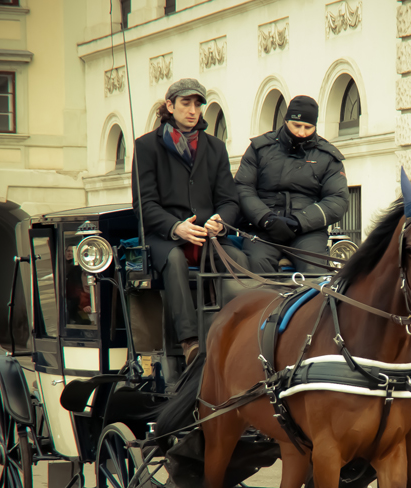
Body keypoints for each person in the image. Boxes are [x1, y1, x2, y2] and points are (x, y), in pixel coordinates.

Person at [131, 78, 247, 364]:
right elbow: (143, 204)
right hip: (164, 237)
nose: (193, 110)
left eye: (197, 104)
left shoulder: (216, 148)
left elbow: (229, 201)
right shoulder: (146, 146)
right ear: (170, 106)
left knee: (239, 259)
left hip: (208, 237)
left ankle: (240, 334)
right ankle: (189, 342)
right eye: (186, 103)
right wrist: (175, 227)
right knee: (175, 261)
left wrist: (220, 222)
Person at [234, 95, 349, 274]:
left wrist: (298, 222)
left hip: (308, 232)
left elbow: (337, 200)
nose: (302, 133)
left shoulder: (328, 156)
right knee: (256, 265)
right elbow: (243, 188)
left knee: (316, 272)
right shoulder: (259, 148)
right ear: (286, 121)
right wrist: (266, 218)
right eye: (297, 126)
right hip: (263, 229)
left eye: (308, 127)